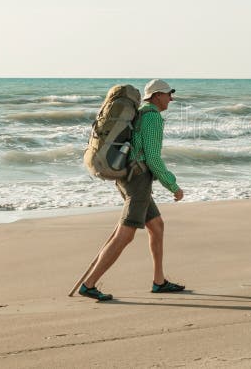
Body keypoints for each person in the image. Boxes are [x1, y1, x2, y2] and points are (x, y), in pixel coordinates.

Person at [79, 79, 185, 301]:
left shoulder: (140, 112)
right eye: (168, 94)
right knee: (124, 235)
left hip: (126, 176)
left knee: (156, 226)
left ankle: (159, 281)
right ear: (156, 96)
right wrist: (173, 186)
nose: (171, 98)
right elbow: (154, 158)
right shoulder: (153, 117)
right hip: (138, 181)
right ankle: (89, 284)